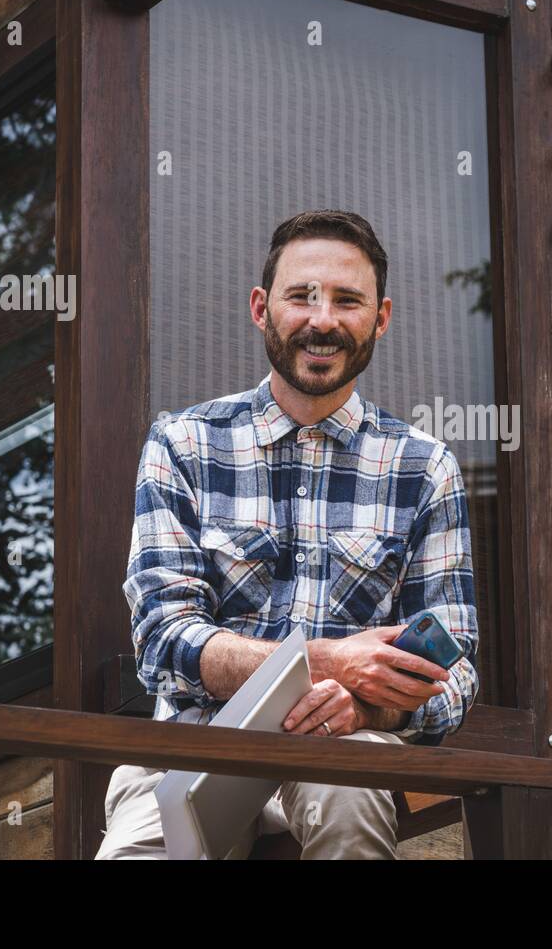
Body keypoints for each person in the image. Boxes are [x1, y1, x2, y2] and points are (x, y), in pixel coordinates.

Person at [95, 210, 479, 859]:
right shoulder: (183, 444)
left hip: (348, 749)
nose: (322, 319)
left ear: (380, 317)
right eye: (301, 295)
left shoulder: (427, 469)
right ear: (261, 308)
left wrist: (368, 708)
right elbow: (162, 642)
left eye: (347, 299)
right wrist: (332, 660)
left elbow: (456, 668)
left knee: (352, 793)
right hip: (191, 748)